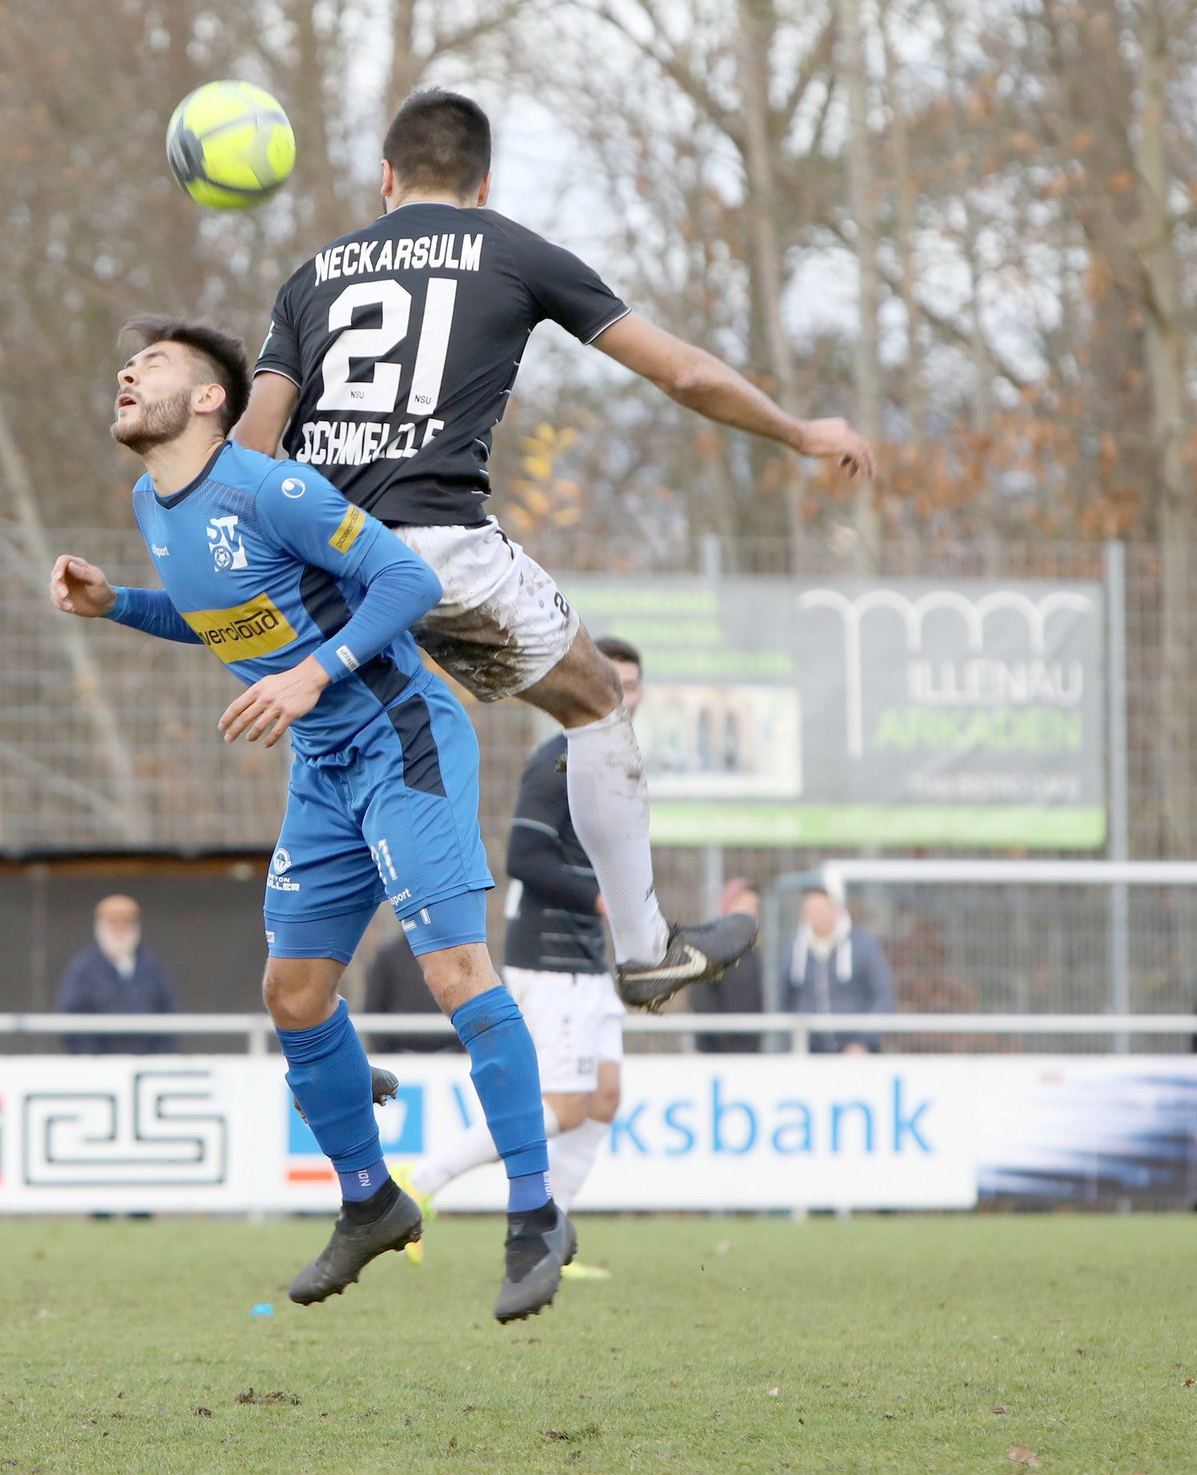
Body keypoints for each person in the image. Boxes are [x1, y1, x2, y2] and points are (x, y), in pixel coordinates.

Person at [233, 89, 872, 1008]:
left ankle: (313, 996)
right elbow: (684, 371)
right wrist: (799, 430)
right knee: (597, 699)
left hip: (329, 565)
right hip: (438, 553)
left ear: (385, 178)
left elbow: (253, 452)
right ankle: (648, 946)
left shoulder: (314, 276)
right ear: (486, 182)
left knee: (367, 744)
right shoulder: (511, 250)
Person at [50, 316, 571, 1323]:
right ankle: (369, 1201)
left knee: (453, 971)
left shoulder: (269, 486)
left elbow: (407, 581)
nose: (126, 372)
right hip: (323, 766)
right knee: (291, 996)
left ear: (209, 399)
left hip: (400, 736)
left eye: (150, 363)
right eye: (126, 361)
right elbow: (214, 619)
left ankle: (537, 1212)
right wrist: (118, 602)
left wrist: (309, 674)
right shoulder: (150, 504)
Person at [398, 635, 643, 1250]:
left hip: (588, 960)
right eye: (615, 682)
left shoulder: (617, 767)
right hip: (550, 958)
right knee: (564, 1104)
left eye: (634, 685)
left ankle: (551, 1234)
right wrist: (602, 897)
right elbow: (525, 857)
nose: (625, 695)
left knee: (604, 1098)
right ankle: (421, 1178)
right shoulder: (557, 760)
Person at [54, 895, 181, 1054]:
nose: (120, 932)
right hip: (99, 1068)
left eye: (126, 925)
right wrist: (94, 1060)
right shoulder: (83, 968)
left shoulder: (151, 967)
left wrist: (157, 1059)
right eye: (113, 925)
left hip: (147, 1064)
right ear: (100, 928)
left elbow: (168, 1014)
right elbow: (71, 1019)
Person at [782, 888, 895, 1053]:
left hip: (858, 1054)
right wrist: (791, 1042)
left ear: (836, 910)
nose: (819, 916)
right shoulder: (794, 950)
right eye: (812, 911)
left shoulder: (863, 945)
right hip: (811, 1051)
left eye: (823, 909)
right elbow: (783, 1001)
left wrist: (863, 1042)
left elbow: (883, 997)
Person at [690, 879, 766, 1054]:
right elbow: (701, 1001)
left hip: (748, 1049)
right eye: (743, 905)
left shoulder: (751, 952)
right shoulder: (709, 945)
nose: (750, 912)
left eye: (754, 907)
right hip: (715, 1050)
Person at [359, 933, 456, 1052]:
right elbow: (373, 1007)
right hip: (400, 1057)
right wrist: (387, 1054)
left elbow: (466, 1001)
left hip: (451, 1057)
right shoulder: (389, 955)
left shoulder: (452, 954)